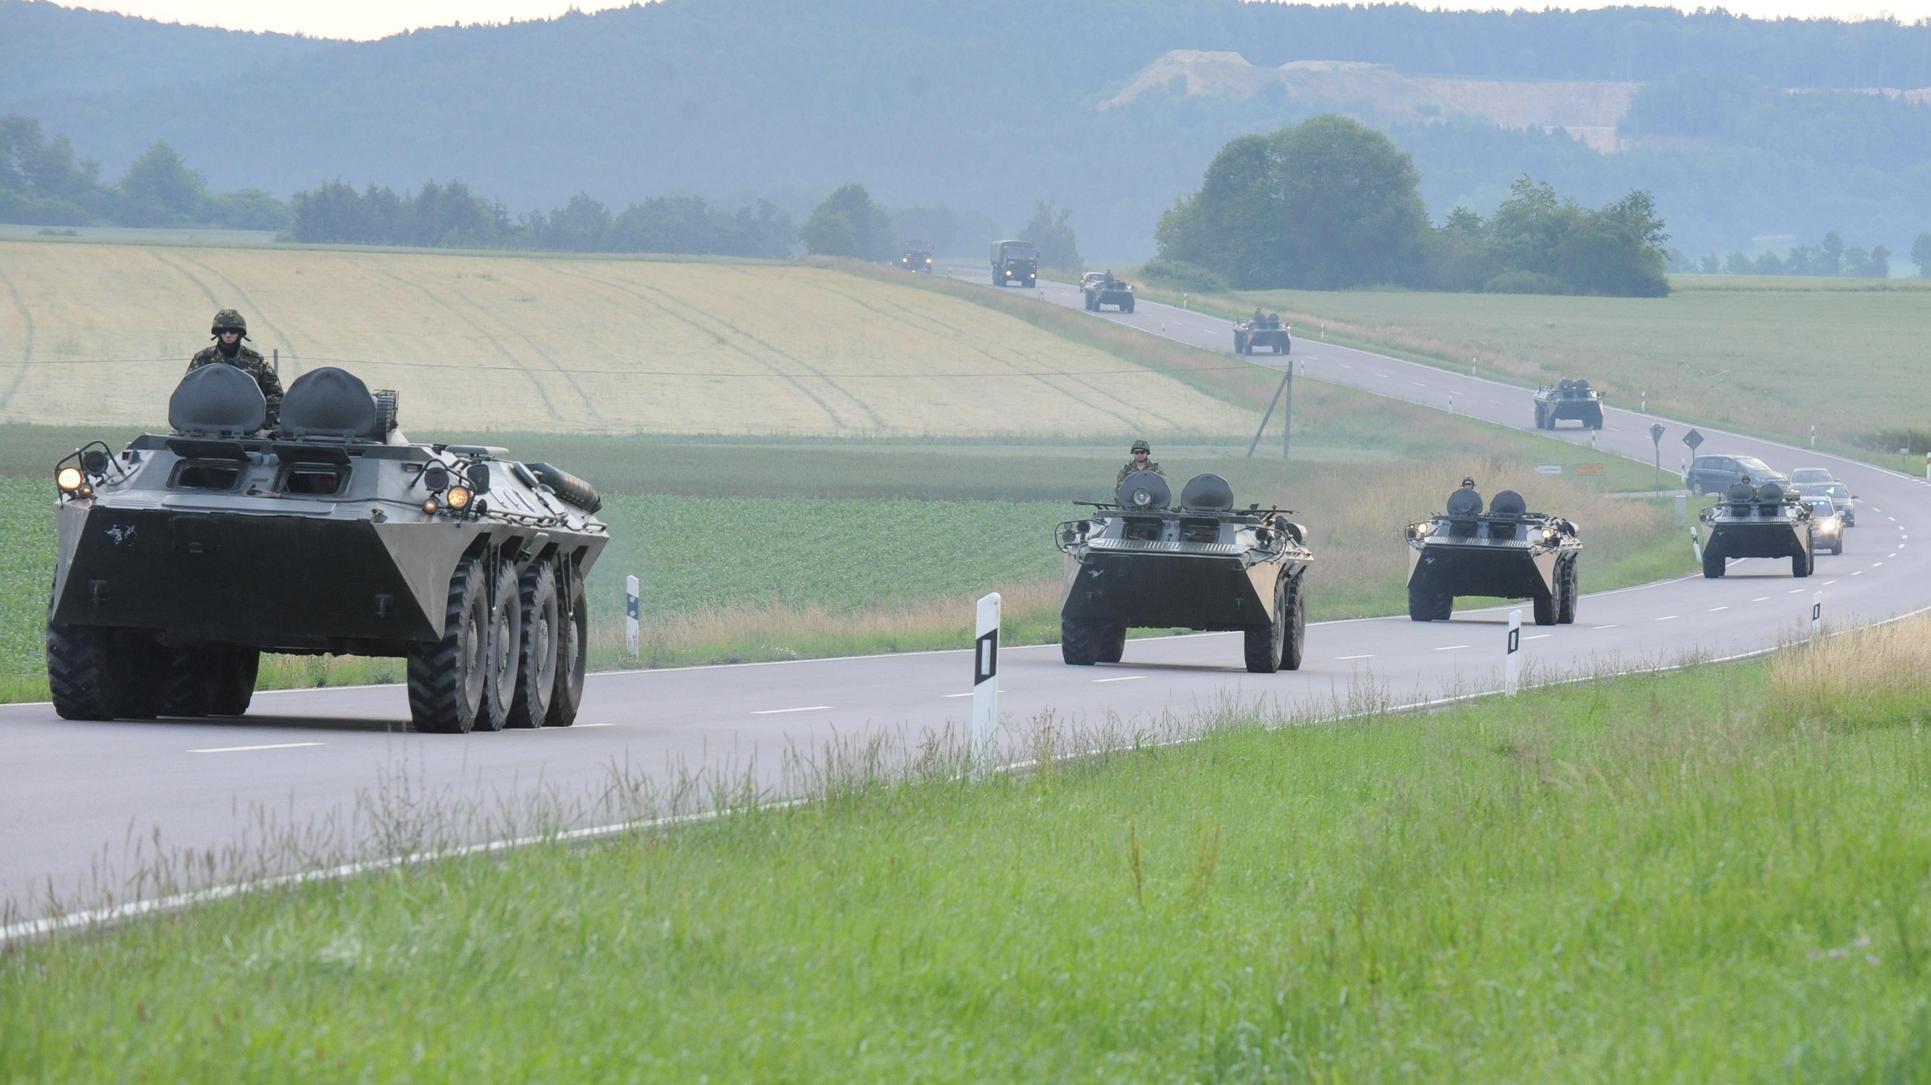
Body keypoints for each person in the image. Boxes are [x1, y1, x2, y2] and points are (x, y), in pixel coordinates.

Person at [188, 309, 283, 427]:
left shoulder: (256, 361)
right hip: (207, 423)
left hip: (248, 426)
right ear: (217, 333)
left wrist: (262, 421)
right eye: (223, 331)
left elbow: (276, 395)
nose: (228, 335)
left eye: (232, 331)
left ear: (240, 333)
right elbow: (188, 392)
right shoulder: (202, 359)